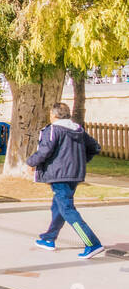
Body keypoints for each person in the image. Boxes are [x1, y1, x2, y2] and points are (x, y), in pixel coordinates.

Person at [28, 103, 105, 258]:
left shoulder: (53, 130)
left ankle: (92, 243)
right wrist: (80, 162)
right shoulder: (78, 130)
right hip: (74, 174)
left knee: (68, 210)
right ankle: (49, 238)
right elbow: (95, 147)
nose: (49, 116)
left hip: (59, 175)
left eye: (50, 113)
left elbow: (45, 150)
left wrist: (31, 162)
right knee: (58, 206)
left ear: (54, 115)